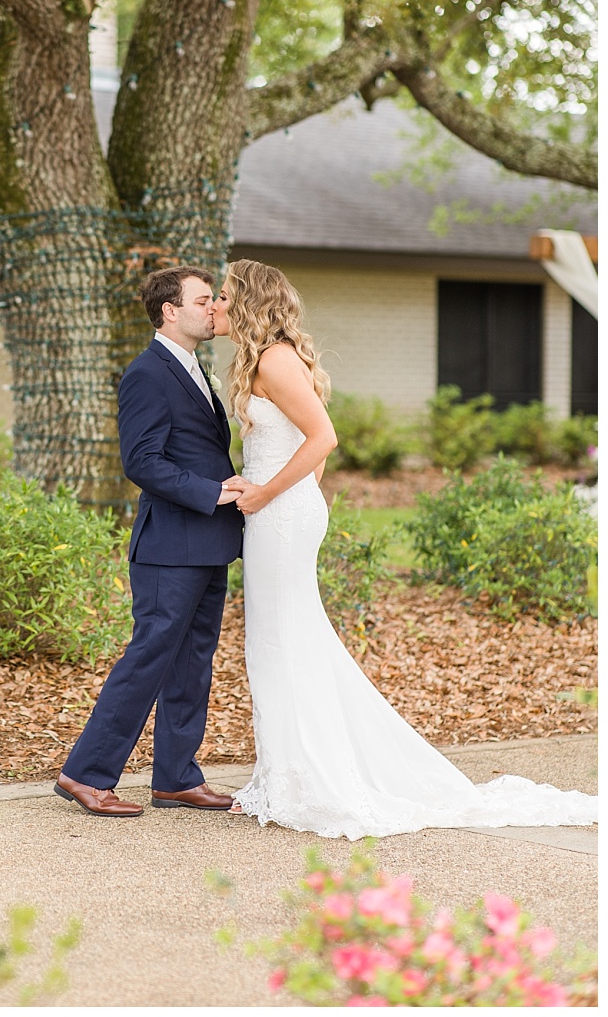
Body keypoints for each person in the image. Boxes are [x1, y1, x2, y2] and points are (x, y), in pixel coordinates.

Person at [214, 259, 597, 838]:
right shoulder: (269, 358)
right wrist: (284, 495)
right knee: (281, 639)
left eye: (223, 295)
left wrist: (269, 492)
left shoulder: (274, 359)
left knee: (279, 640)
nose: (216, 304)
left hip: (279, 515)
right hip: (280, 513)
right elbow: (306, 449)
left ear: (247, 302)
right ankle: (286, 774)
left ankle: (304, 779)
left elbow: (323, 438)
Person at [54, 266, 248, 817]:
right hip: (169, 546)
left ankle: (176, 778)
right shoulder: (147, 373)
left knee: (193, 662)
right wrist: (213, 492)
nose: (214, 309)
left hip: (208, 542)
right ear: (170, 310)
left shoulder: (194, 369)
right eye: (203, 300)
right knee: (148, 659)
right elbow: (141, 461)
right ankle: (86, 774)